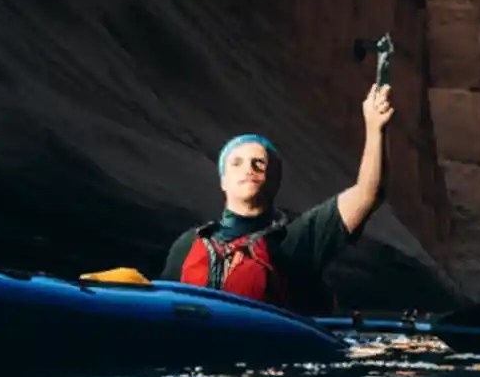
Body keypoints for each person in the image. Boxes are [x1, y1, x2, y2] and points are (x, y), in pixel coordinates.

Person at [158, 83, 394, 315]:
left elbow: (368, 193)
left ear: (275, 179)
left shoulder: (298, 240)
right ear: (223, 181)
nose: (248, 169)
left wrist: (375, 129)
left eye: (259, 163)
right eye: (236, 163)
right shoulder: (187, 245)